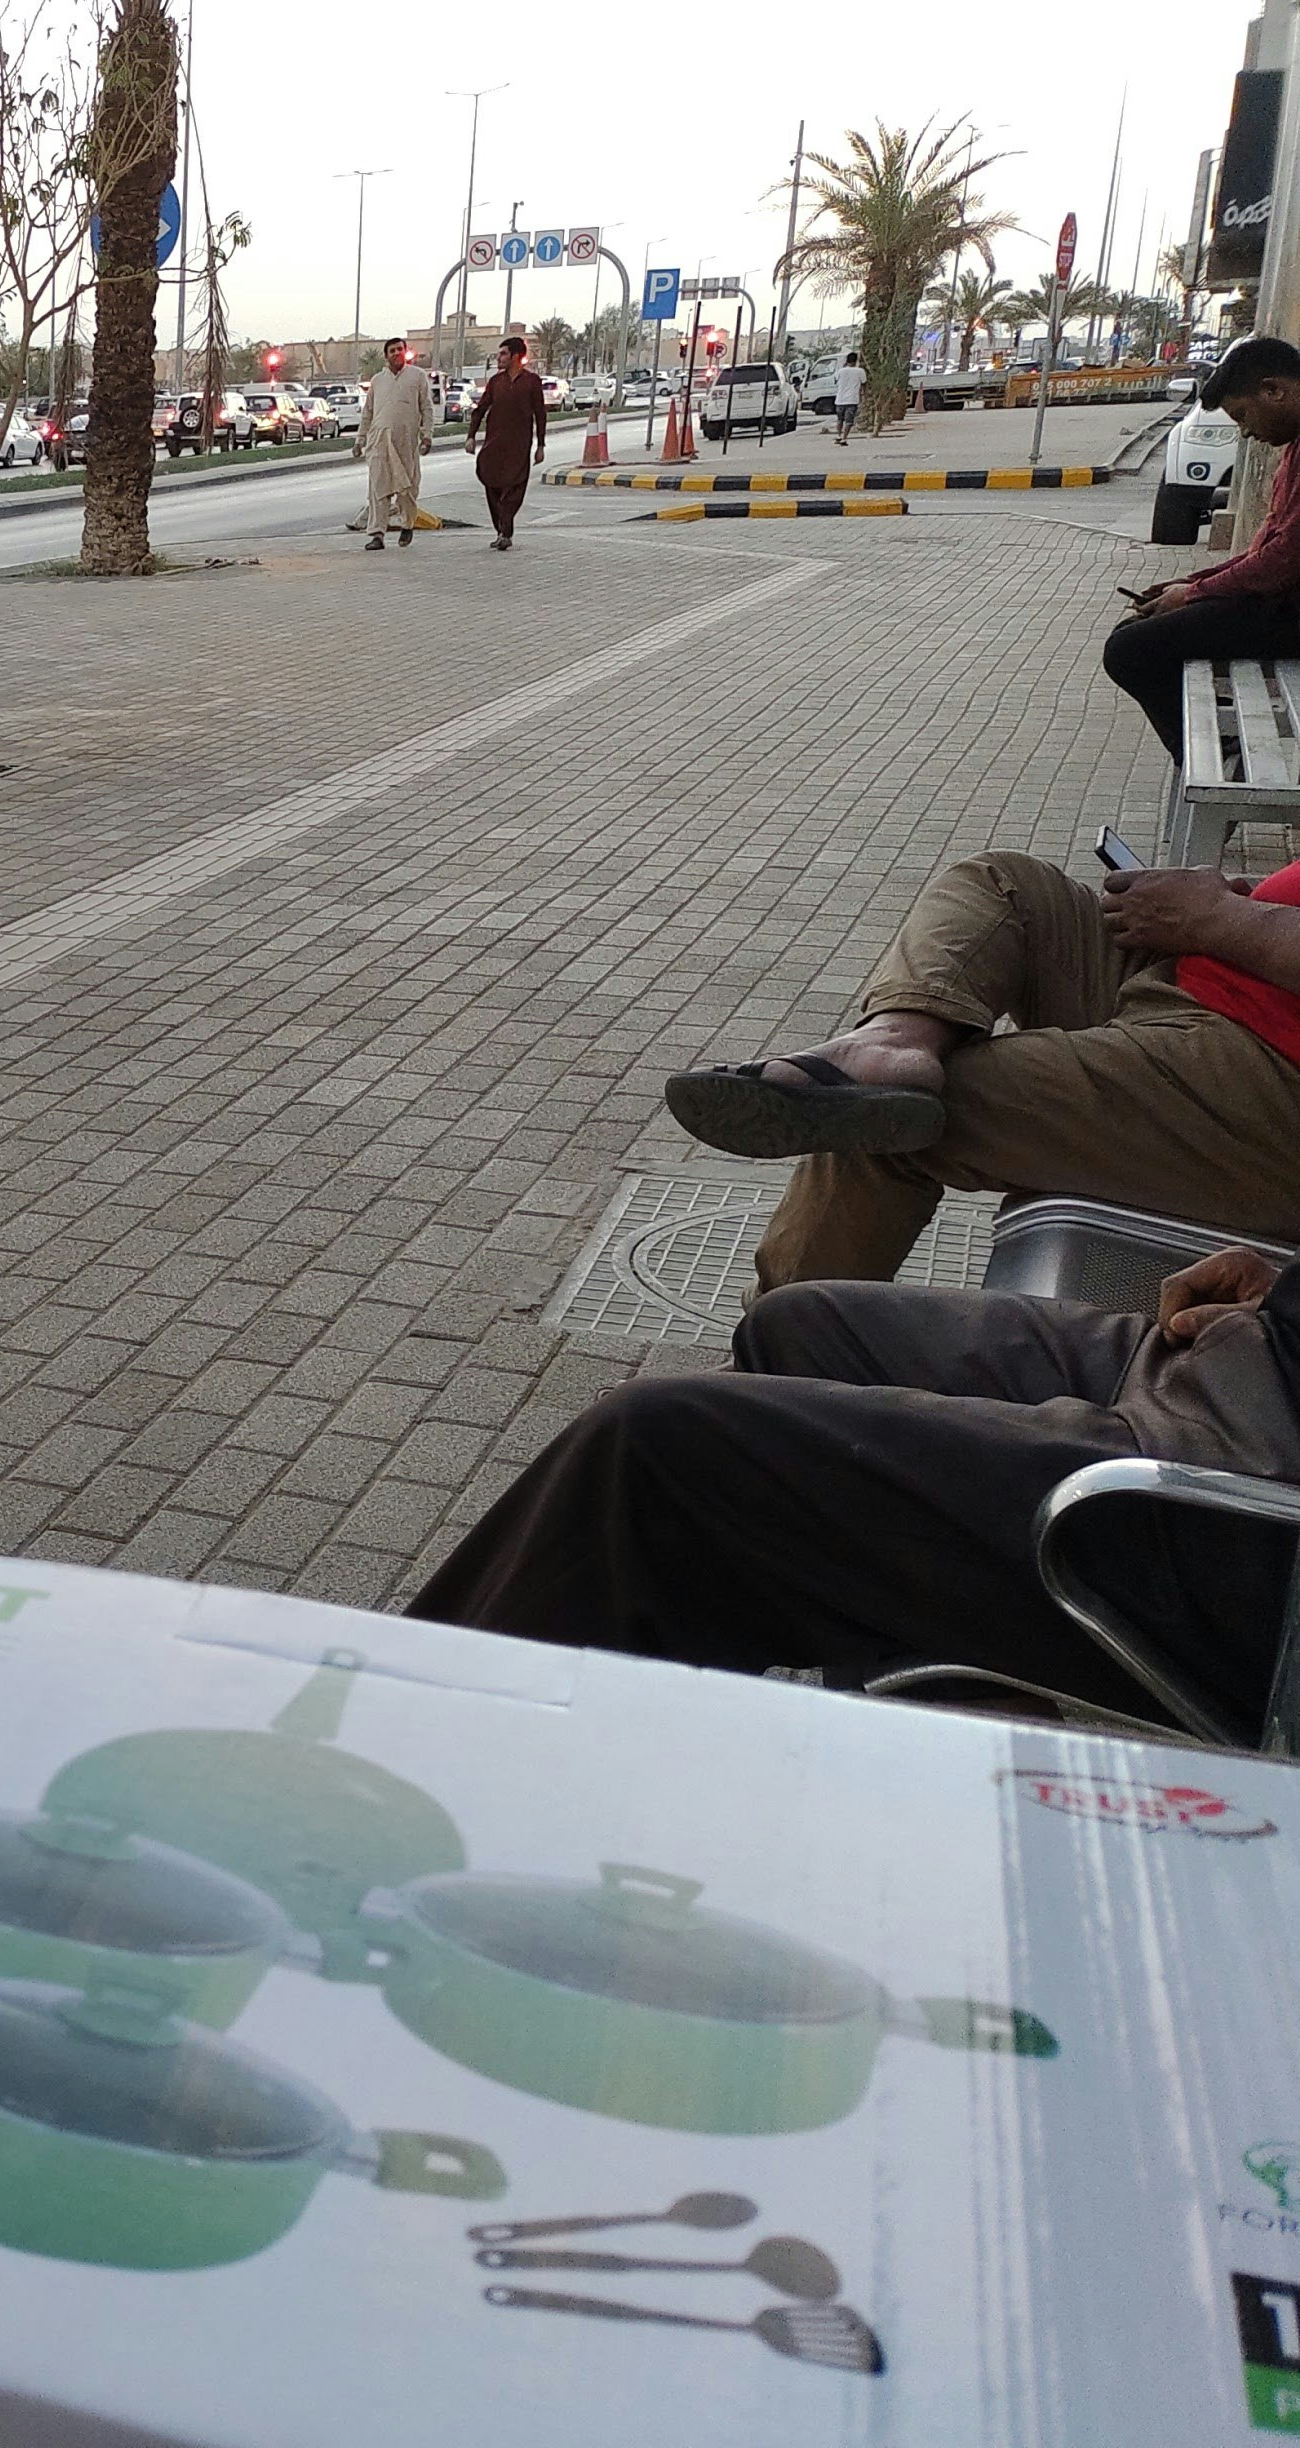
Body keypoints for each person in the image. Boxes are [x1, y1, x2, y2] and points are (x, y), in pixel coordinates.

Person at [406, 1255, 1300, 1728]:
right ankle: (932, 1729)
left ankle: (362, 1801)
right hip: (1251, 1362)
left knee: (664, 1453)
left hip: (1252, 1492)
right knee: (801, 1325)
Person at [662, 848, 1300, 1288]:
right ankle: (895, 1041)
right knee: (1006, 885)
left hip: (1267, 1068)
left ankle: (769, 1369)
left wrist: (1218, 916)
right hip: (1223, 978)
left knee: (879, 1121)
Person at [1103, 334, 1300, 756]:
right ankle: (1217, 746)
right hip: (1284, 602)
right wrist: (1193, 581)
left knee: (1129, 650)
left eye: (1244, 415)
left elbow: (1284, 561)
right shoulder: (1294, 448)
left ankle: (1218, 759)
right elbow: (1271, 545)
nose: (1246, 432)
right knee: (1133, 633)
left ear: (1274, 390)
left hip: (1291, 612)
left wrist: (1192, 594)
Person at [466, 333, 547, 550]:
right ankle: (500, 529)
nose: (499, 358)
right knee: (491, 483)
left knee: (514, 488)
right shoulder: (495, 382)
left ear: (515, 356)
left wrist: (540, 445)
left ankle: (506, 531)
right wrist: (471, 437)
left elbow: (540, 413)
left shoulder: (531, 382)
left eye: (503, 354)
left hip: (519, 445)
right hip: (494, 444)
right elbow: (480, 409)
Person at [358, 341, 435, 550]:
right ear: (386, 356)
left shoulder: (417, 376)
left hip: (406, 442)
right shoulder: (377, 380)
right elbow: (368, 413)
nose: (397, 354)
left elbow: (426, 407)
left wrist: (427, 435)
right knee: (378, 488)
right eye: (392, 351)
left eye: (400, 349)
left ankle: (407, 525)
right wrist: (360, 439)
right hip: (379, 442)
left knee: (407, 488)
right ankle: (377, 534)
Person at [830, 349, 862, 445]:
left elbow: (835, 380)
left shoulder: (840, 371)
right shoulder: (860, 371)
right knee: (849, 421)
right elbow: (864, 384)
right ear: (856, 361)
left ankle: (839, 435)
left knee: (840, 419)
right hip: (852, 399)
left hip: (840, 399)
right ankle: (844, 438)